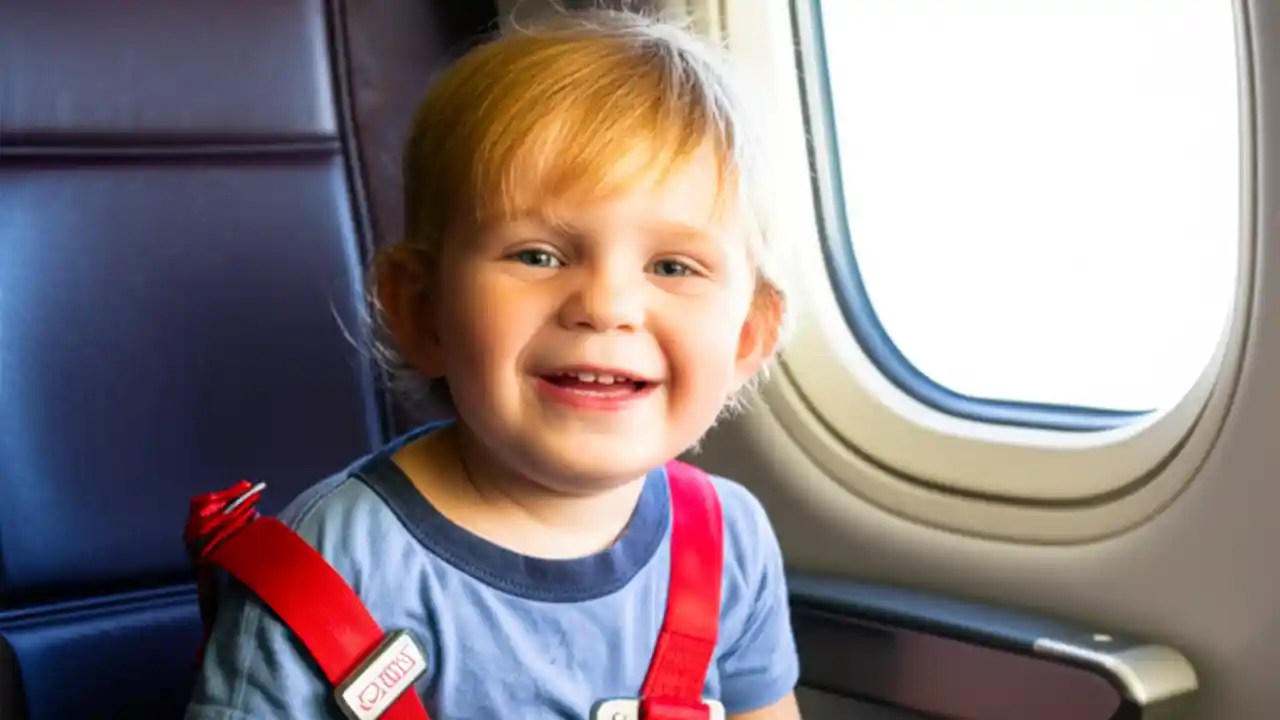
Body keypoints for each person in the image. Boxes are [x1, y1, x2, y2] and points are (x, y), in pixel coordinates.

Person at [185, 8, 800, 719]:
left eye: (672, 265)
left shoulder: (727, 542)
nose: (606, 305)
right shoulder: (335, 567)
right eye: (537, 255)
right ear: (422, 311)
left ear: (748, 338)